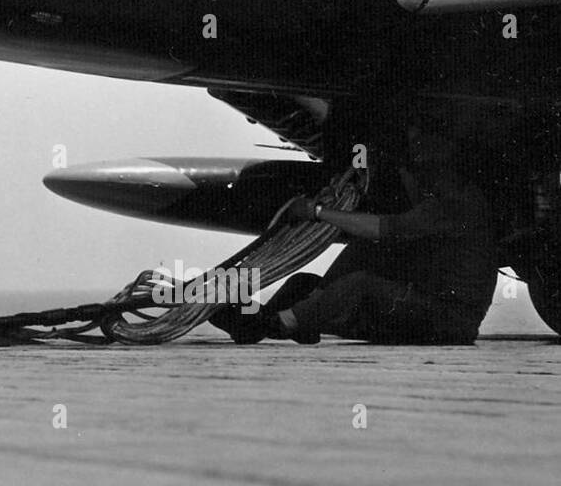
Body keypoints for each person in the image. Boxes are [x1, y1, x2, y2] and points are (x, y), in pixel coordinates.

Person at [212, 122, 499, 345]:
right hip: (427, 310)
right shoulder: (446, 200)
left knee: (359, 285)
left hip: (450, 322)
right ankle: (267, 324)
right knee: (303, 285)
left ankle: (277, 324)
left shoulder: (454, 204)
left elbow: (383, 228)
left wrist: (316, 212)